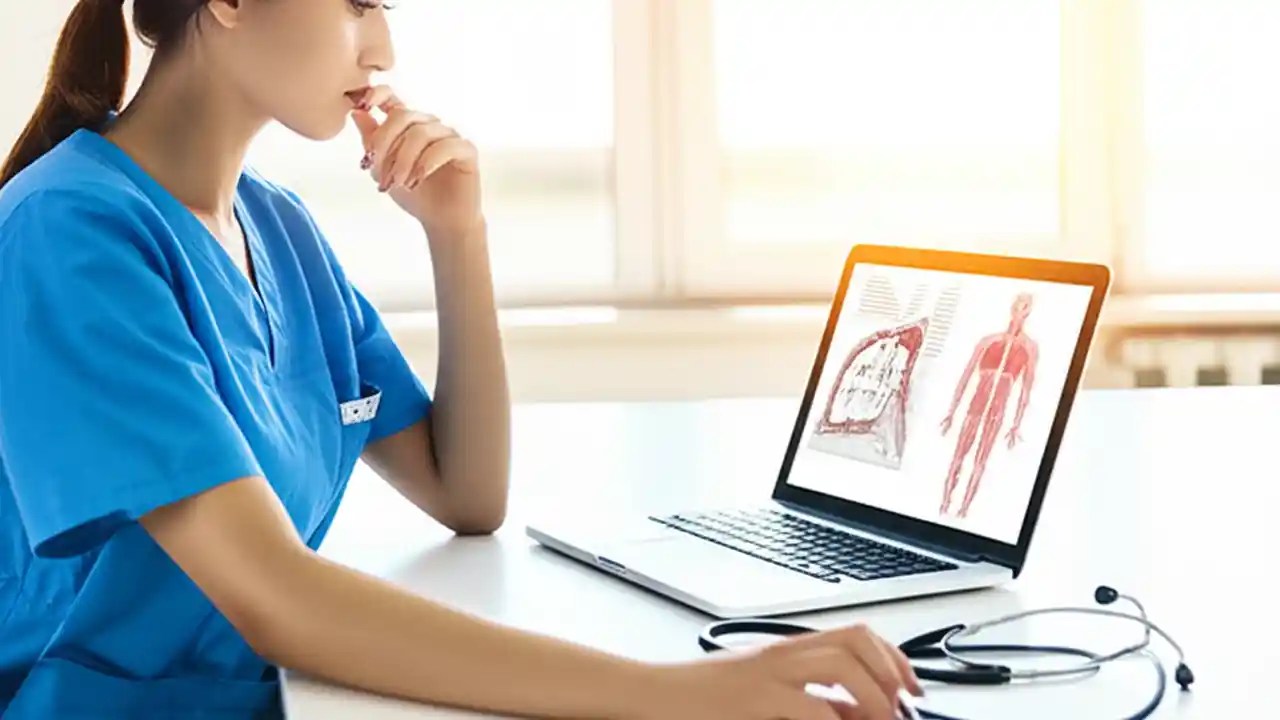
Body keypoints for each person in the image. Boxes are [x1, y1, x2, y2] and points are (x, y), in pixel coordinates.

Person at [0, 2, 922, 718]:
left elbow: (465, 490)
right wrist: (674, 692)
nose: (384, 51)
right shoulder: (71, 234)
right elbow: (277, 597)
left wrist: (458, 235)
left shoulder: (276, 229)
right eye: (360, 3)